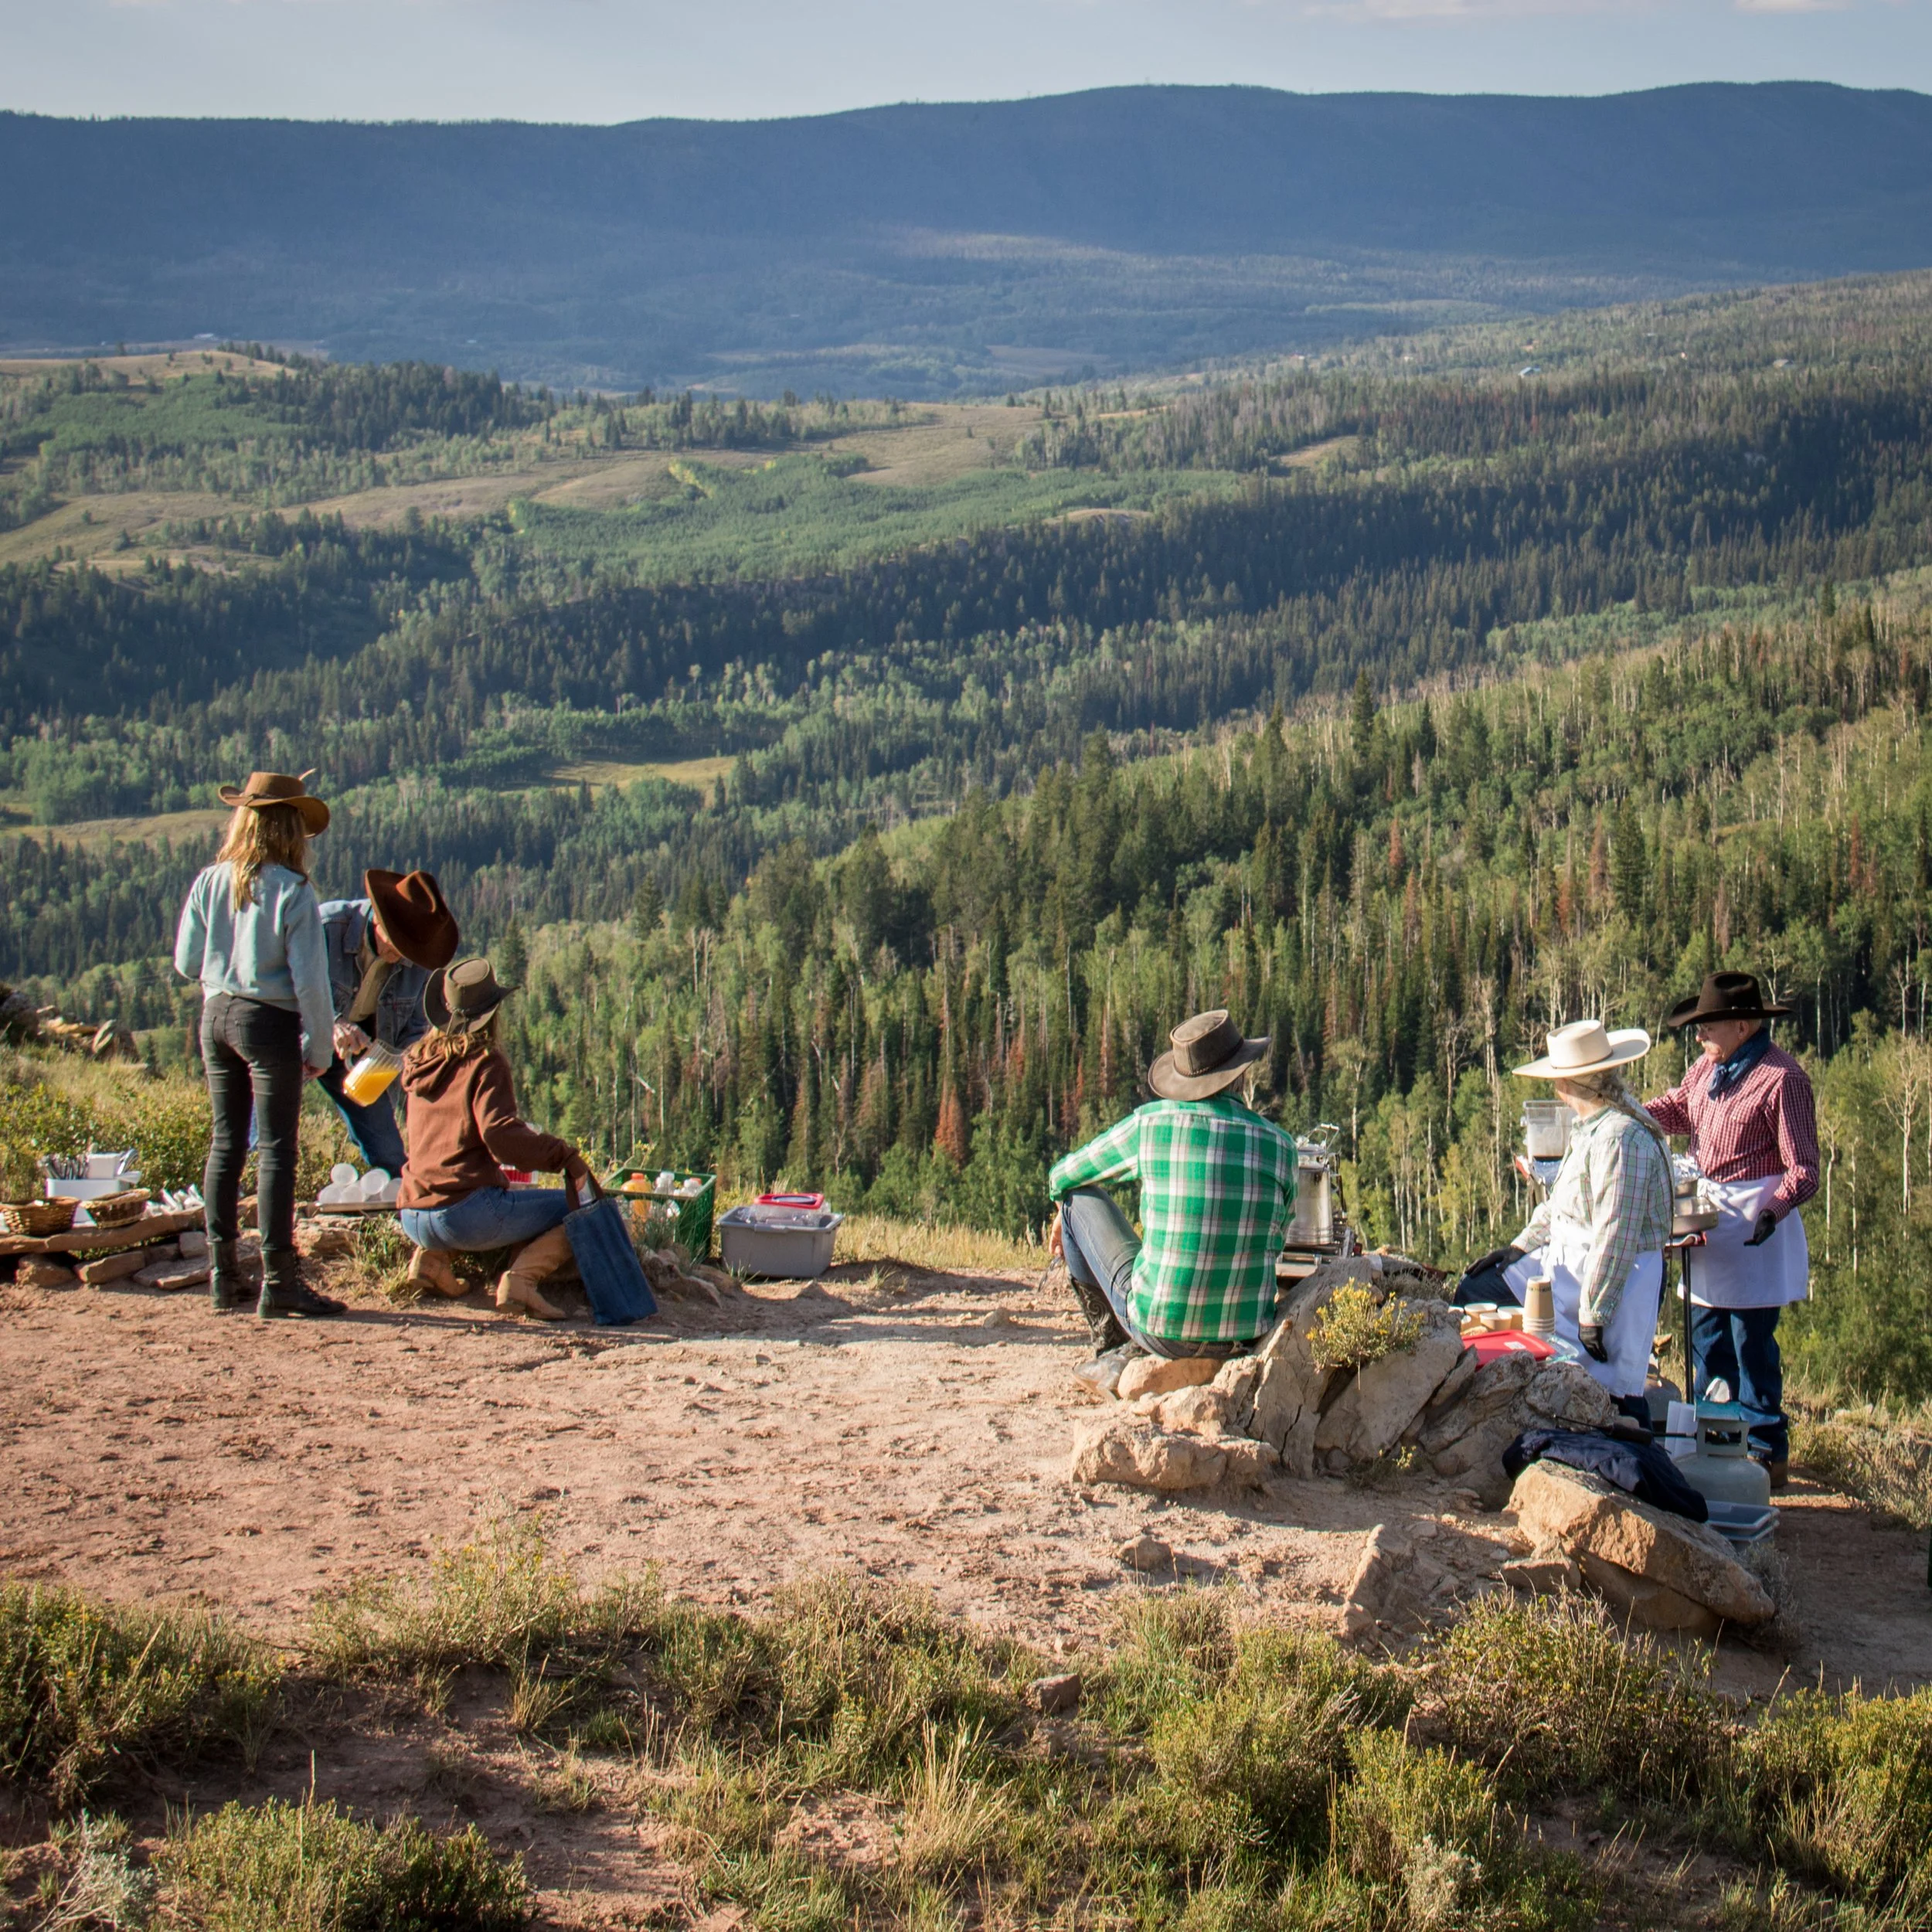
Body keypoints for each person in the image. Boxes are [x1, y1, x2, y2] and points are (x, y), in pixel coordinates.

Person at [174, 770, 345, 1319]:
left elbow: (185, 962)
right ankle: (280, 1281)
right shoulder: (294, 892)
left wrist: (226, 968)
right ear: (290, 829)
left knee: (226, 1144)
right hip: (268, 1023)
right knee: (276, 1150)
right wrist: (319, 1048)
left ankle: (224, 1278)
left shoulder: (209, 881)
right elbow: (311, 983)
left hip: (215, 1015)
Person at [1645, 971, 1818, 1489]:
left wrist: (1776, 1209)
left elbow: (1804, 1167)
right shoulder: (1706, 1068)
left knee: (1751, 1341)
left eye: (1707, 1027)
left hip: (1755, 1222)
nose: (1698, 1037)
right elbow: (1678, 1108)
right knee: (1706, 1336)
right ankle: (1714, 1443)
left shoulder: (1783, 1079)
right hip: (1708, 1215)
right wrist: (1630, 1113)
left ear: (1741, 1026)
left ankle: (1765, 1451)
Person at [1046, 1009, 1297, 1366]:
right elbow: (1277, 1239)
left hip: (1160, 1331)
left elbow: (1063, 1174)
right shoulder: (1281, 1146)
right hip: (1245, 1334)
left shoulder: (1151, 1125)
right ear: (1241, 1075)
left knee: (1076, 1200)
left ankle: (1112, 1347)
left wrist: (1060, 1209)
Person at [1468, 1020, 1672, 1416]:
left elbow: (1616, 1232)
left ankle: (1629, 1455)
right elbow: (1562, 1204)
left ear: (1571, 1084)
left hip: (1611, 1277)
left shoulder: (1619, 1137)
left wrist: (1595, 1312)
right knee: (1479, 1290)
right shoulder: (1599, 1123)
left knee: (1613, 1389)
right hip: (1576, 1265)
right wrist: (1518, 1247)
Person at [396, 956, 595, 1319]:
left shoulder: (419, 1059)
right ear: (491, 1014)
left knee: (492, 1202)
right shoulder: (485, 1061)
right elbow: (500, 1135)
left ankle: (429, 1263)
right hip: (461, 1216)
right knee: (577, 1208)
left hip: (412, 1213)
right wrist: (563, 1156)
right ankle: (521, 1281)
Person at [317, 869, 460, 1298]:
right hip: (303, 1040)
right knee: (272, 1143)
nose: (404, 958)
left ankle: (392, 1249)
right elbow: (289, 991)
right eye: (399, 947)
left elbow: (416, 1025)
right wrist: (332, 1025)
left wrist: (404, 1059)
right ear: (378, 924)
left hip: (366, 1056)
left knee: (389, 1153)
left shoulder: (414, 961)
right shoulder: (326, 929)